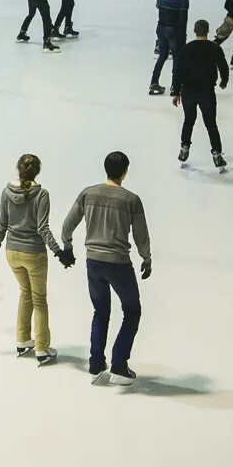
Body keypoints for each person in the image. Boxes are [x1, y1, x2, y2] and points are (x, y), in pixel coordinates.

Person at [60, 151, 152, 386]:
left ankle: (95, 364)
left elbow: (67, 225)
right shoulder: (131, 200)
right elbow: (141, 233)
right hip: (119, 264)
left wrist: (68, 247)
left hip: (94, 263)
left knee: (100, 312)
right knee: (132, 311)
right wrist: (146, 257)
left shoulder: (88, 193)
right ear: (125, 171)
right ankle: (119, 365)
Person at [0, 154, 75, 365]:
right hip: (34, 253)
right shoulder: (41, 195)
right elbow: (42, 228)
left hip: (11, 253)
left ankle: (23, 338)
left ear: (18, 169)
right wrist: (59, 252)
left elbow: (1, 225)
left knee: (26, 294)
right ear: (38, 171)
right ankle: (42, 348)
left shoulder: (6, 192)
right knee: (39, 299)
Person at [171, 19, 229, 168]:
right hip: (206, 92)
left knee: (189, 120)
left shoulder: (185, 49)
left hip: (188, 92)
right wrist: (224, 81)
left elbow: (177, 72)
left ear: (195, 31)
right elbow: (223, 66)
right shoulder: (214, 48)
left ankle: (184, 149)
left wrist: (175, 92)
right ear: (208, 31)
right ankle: (217, 155)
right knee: (210, 123)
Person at [149, 0, 190, 95]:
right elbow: (183, 20)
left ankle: (154, 82)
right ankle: (175, 86)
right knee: (177, 57)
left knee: (162, 56)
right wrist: (183, 37)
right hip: (174, 31)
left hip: (161, 28)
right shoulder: (183, 0)